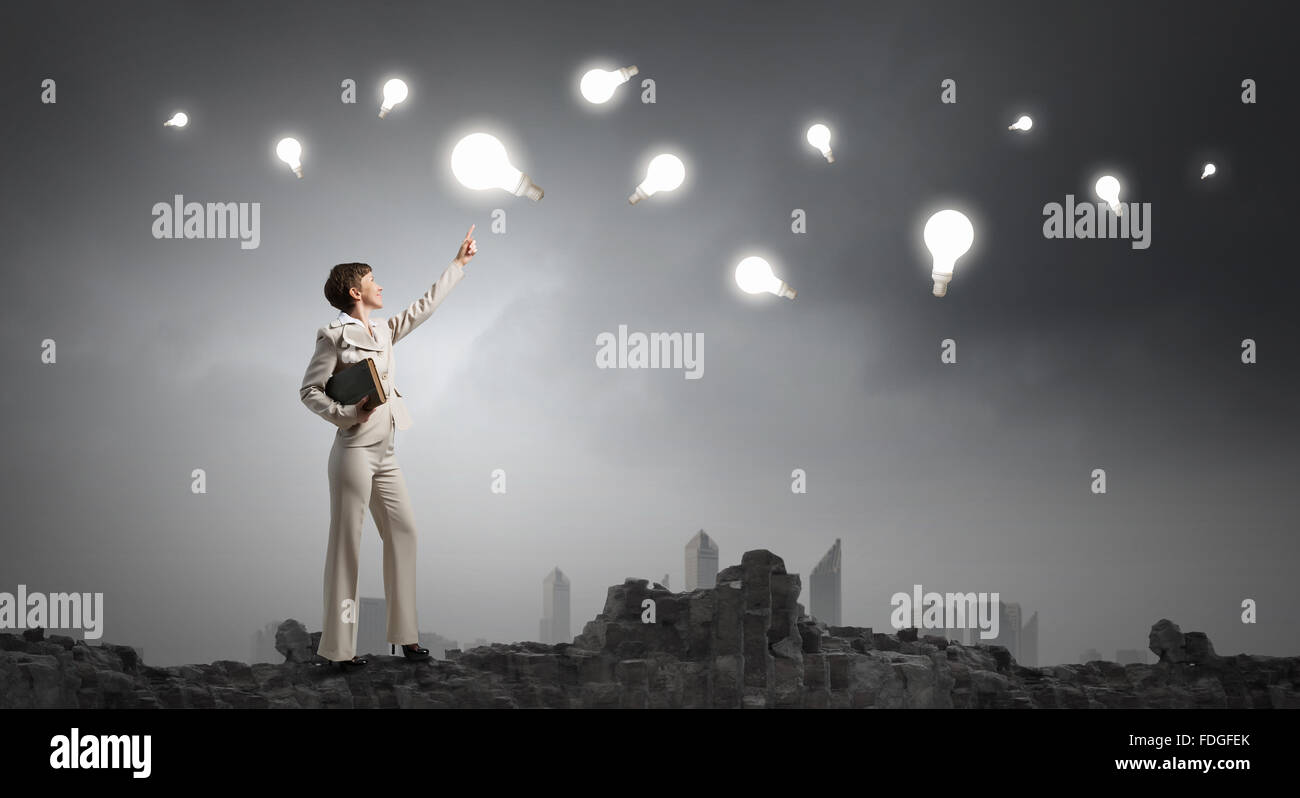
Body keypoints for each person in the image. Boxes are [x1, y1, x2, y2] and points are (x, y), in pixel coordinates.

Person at [299, 226, 477, 670]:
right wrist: (346, 414)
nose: (381, 286)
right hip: (354, 451)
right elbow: (309, 390)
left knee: (404, 532)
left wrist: (457, 265)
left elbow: (423, 308)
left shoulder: (383, 329)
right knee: (347, 546)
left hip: (387, 452)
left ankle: (406, 637)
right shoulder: (332, 335)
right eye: (374, 280)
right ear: (356, 290)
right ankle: (338, 650)